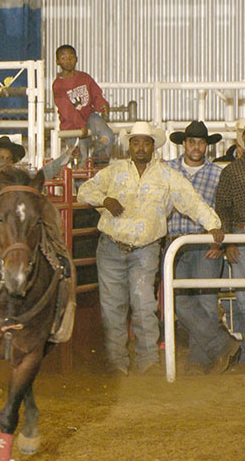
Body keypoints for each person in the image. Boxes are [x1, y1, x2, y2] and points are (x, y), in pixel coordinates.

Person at [77, 122, 223, 376]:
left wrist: (213, 224)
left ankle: (148, 363)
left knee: (144, 305)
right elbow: (85, 190)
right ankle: (117, 364)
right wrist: (104, 199)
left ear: (153, 146)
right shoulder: (114, 171)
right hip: (111, 246)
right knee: (113, 308)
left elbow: (191, 201)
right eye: (136, 142)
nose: (141, 147)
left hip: (145, 249)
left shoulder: (166, 175)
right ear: (130, 145)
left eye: (146, 142)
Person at [165, 121, 239, 374]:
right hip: (176, 243)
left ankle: (199, 362)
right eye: (192, 142)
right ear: (183, 144)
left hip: (207, 243)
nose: (196, 147)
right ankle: (222, 345)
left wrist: (221, 241)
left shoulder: (219, 173)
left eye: (201, 142)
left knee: (206, 301)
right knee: (180, 303)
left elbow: (224, 210)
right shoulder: (167, 171)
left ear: (206, 146)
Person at [214, 124, 245, 367]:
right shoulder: (231, 172)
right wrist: (229, 241)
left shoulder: (232, 171)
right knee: (242, 300)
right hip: (241, 234)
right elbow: (222, 209)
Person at [53, 44, 114, 166]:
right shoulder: (58, 85)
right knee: (81, 157)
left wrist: (102, 105)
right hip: (71, 125)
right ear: (57, 61)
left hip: (90, 116)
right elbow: (67, 109)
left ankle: (97, 162)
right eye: (64, 58)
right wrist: (80, 125)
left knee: (107, 136)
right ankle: (80, 183)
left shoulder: (84, 77)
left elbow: (96, 94)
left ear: (77, 59)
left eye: (71, 57)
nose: (68, 61)